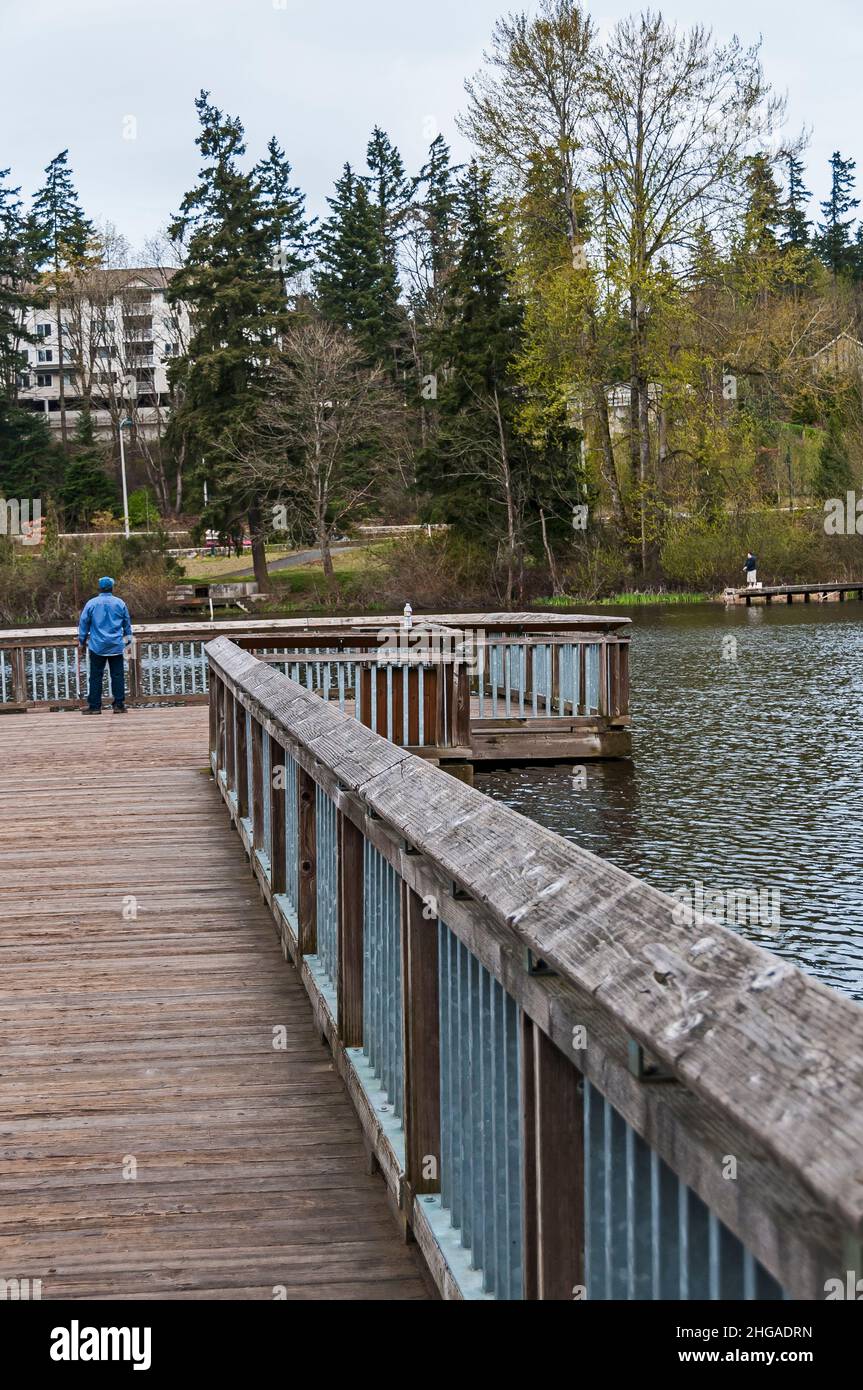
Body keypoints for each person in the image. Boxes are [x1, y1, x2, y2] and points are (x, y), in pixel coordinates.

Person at [78, 576, 133, 714]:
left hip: (97, 646)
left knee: (96, 676)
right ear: (112, 588)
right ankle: (118, 705)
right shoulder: (120, 603)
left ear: (100, 588)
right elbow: (127, 625)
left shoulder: (91, 603)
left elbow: (83, 624)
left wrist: (82, 643)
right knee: (117, 675)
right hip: (116, 645)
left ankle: (95, 707)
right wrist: (129, 643)